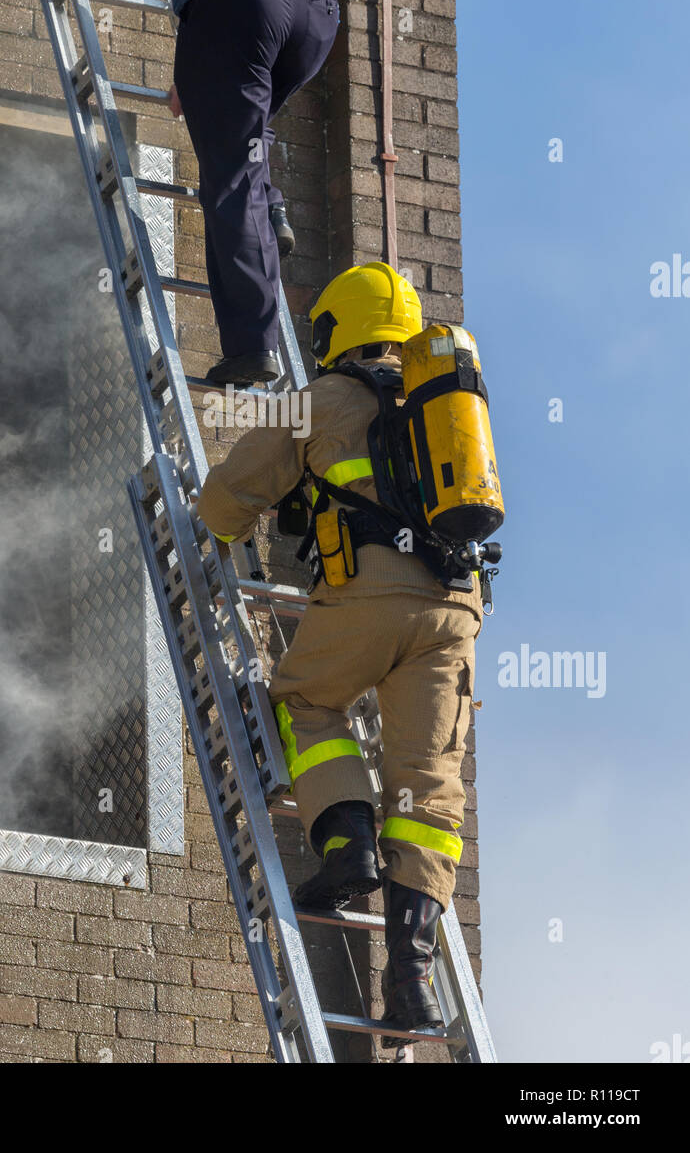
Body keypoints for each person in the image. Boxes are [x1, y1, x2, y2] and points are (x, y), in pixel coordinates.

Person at [196, 263, 485, 1042]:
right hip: (455, 611)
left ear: (336, 330)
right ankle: (414, 982)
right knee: (429, 796)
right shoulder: (445, 410)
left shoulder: (322, 398)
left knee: (306, 703)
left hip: (368, 596)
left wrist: (210, 523)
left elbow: (234, 495)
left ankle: (346, 842)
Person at [54, 0, 340, 387]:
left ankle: (252, 346)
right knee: (247, 135)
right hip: (317, 14)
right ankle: (275, 203)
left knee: (230, 178)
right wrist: (199, 72)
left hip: (239, 2)